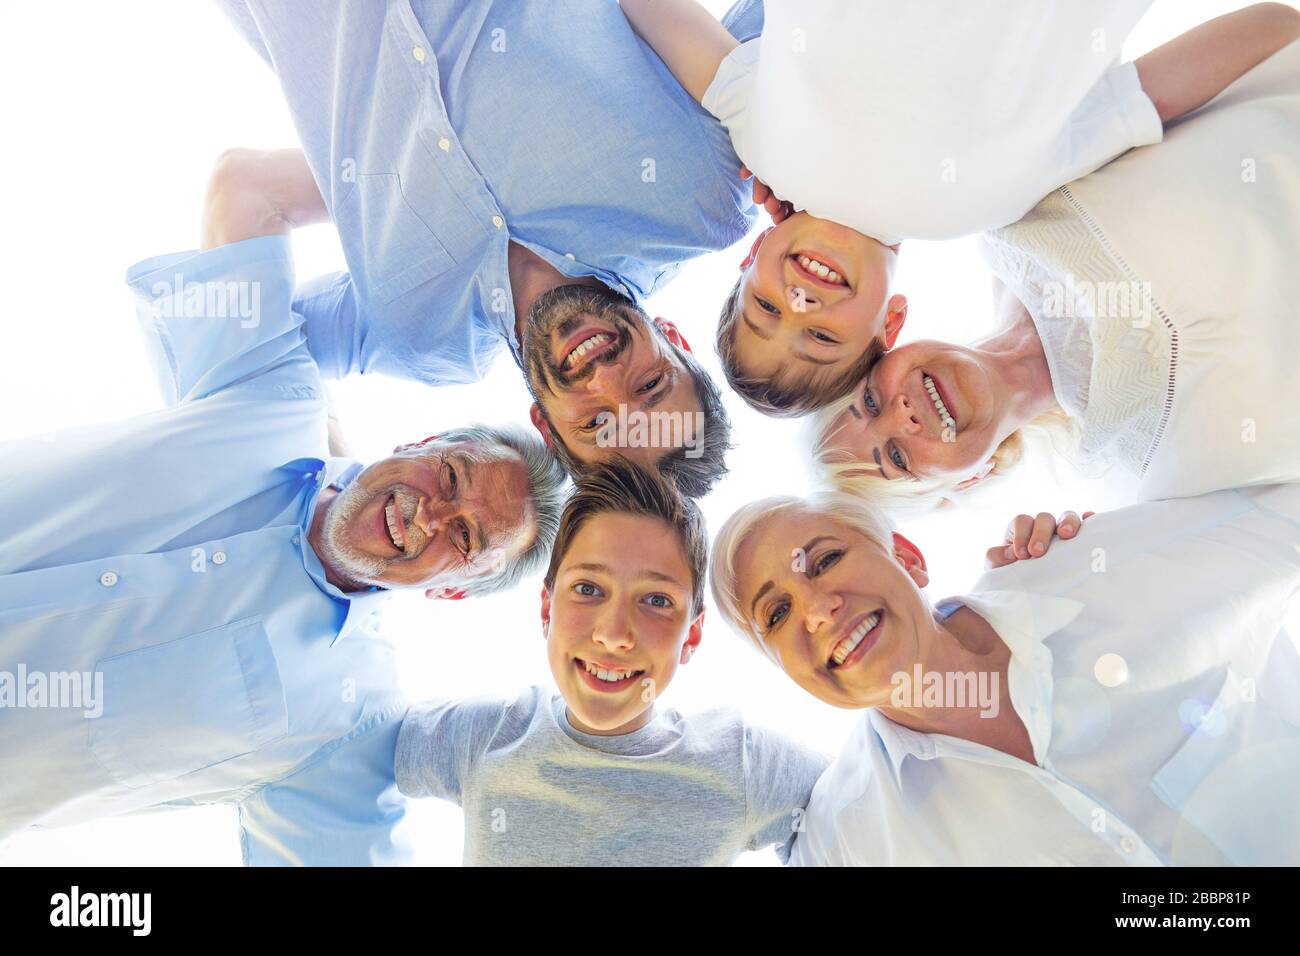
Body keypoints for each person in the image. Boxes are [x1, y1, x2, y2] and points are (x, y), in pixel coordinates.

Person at [0, 151, 566, 863]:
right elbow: (246, 190)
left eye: (464, 538)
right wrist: (490, 227)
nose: (428, 515)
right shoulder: (275, 398)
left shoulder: (343, 724)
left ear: (450, 589)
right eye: (449, 477)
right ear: (424, 440)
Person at [623, 0, 1300, 416]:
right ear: (891, 319)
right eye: (822, 337)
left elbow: (652, 10)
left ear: (753, 254)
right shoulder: (998, 207)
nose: (799, 306)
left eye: (766, 307)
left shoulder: (760, 137)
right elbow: (1148, 95)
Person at [210, 0, 763, 494]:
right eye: (650, 385)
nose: (606, 380)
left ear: (544, 424)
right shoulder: (704, 195)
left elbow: (253, 359)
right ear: (674, 339)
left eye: (596, 423)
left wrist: (333, 493)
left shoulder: (421, 337)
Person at [812, 24, 1300, 508]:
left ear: (888, 344)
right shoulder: (1151, 463)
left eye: (871, 401)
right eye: (897, 457)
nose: (903, 418)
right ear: (969, 480)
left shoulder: (1008, 214)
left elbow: (1263, 40)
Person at [710, 485, 1300, 865]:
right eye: (777, 614)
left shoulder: (1092, 568)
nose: (817, 610)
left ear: (908, 556)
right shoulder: (847, 844)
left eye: (827, 559)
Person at [395, 461, 829, 865]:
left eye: (656, 601)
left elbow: (877, 809)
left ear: (691, 635)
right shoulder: (479, 737)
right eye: (588, 589)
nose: (615, 634)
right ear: (547, 610)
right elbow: (336, 744)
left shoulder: (742, 764)